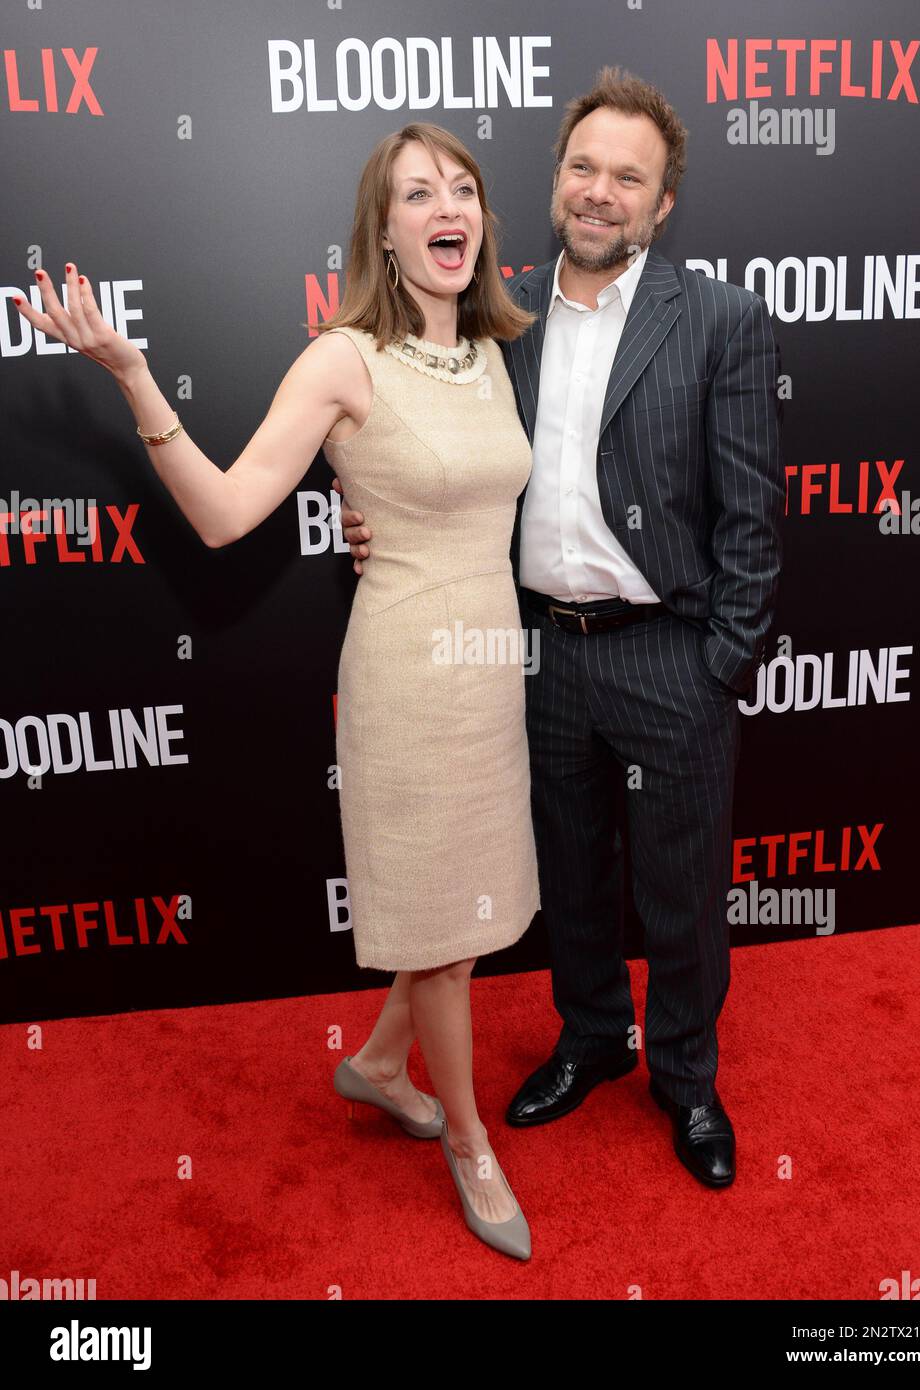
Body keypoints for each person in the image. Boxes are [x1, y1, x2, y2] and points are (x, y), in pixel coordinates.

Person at [14, 120, 541, 1262]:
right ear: (385, 235)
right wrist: (133, 373)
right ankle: (465, 1138)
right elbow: (221, 513)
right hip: (406, 680)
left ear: (480, 223)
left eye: (462, 188)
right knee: (447, 936)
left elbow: (478, 503)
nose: (445, 205)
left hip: (493, 672)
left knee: (458, 910)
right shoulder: (343, 356)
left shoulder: (494, 353)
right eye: (416, 194)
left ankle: (374, 1065)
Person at [339, 67, 785, 1190]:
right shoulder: (503, 321)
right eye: (581, 168)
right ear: (552, 183)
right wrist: (373, 522)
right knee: (571, 880)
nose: (599, 192)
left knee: (679, 893)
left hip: (667, 655)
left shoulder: (720, 320)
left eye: (626, 177)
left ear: (661, 201)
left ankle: (684, 1079)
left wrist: (719, 663)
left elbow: (752, 514)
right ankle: (591, 1038)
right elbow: (434, 458)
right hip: (534, 652)